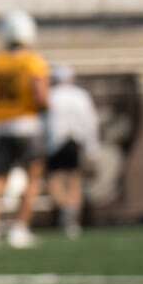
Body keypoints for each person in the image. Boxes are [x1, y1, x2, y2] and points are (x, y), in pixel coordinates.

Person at [0, 10, 50, 249]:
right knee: (32, 179)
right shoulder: (32, 61)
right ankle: (19, 229)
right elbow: (41, 96)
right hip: (27, 125)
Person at [41, 65, 98, 239]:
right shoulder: (81, 95)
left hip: (55, 141)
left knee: (54, 179)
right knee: (74, 178)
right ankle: (72, 216)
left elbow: (44, 121)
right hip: (76, 141)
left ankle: (66, 209)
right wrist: (92, 146)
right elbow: (90, 121)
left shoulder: (51, 95)